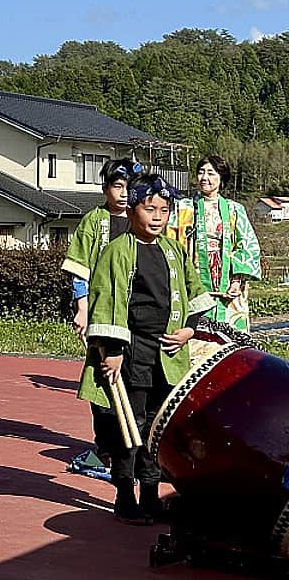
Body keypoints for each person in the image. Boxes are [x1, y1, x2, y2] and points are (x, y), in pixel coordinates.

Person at [78, 174, 215, 524]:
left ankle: (152, 495)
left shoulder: (173, 250)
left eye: (164, 210)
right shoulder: (117, 251)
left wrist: (190, 330)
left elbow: (194, 292)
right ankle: (125, 497)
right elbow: (105, 300)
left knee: (157, 427)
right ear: (133, 210)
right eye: (149, 208)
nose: (157, 216)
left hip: (167, 352)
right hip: (131, 351)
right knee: (129, 427)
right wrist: (112, 350)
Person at [61, 158, 142, 466]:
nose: (123, 193)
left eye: (129, 187)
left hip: (137, 313)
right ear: (106, 188)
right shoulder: (94, 220)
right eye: (117, 186)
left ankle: (134, 443)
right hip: (102, 311)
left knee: (137, 378)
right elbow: (79, 267)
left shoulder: (141, 219)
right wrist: (82, 308)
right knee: (102, 378)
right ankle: (106, 445)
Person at [168, 155, 261, 333]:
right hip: (192, 274)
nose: (205, 178)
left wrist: (236, 281)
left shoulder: (235, 209)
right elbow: (170, 241)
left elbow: (248, 246)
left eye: (211, 173)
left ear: (221, 178)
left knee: (230, 339)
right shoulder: (182, 208)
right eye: (201, 172)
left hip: (227, 279)